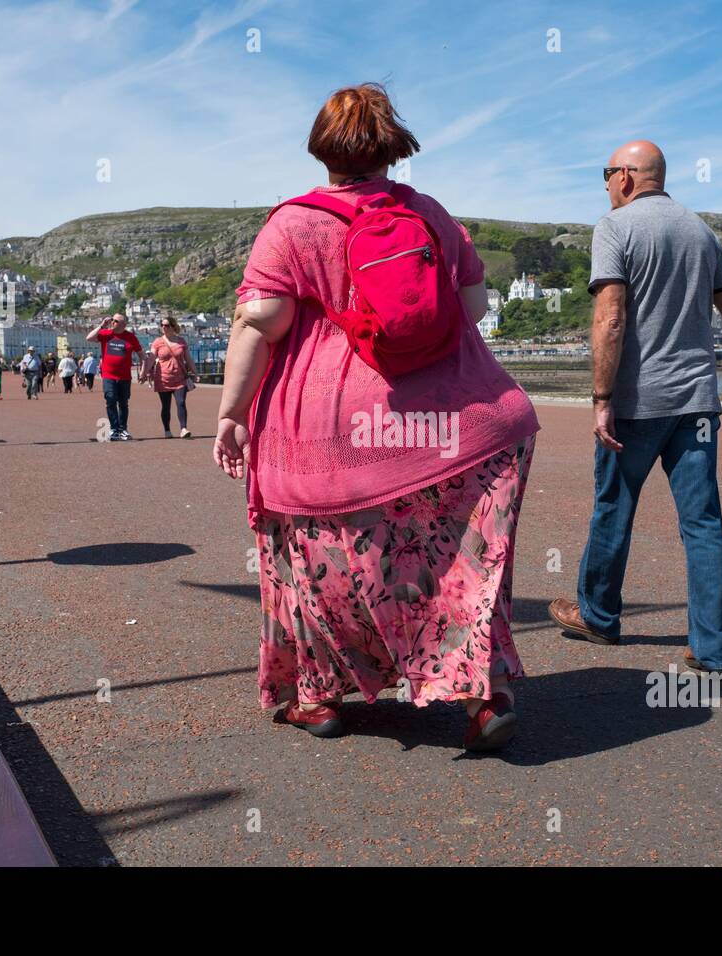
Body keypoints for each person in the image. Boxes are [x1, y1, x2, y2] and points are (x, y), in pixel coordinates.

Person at [214, 83, 539, 751]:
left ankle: (319, 697)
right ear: (392, 147)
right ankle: (483, 695)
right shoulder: (432, 216)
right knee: (463, 565)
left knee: (314, 561)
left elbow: (261, 322)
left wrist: (231, 413)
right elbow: (473, 309)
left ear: (322, 150)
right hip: (466, 423)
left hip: (332, 434)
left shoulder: (293, 224)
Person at [548, 140, 722, 674]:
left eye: (606, 173)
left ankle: (598, 615)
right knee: (703, 521)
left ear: (624, 177)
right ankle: (712, 647)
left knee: (614, 508)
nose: (605, 184)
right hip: (697, 405)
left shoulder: (614, 228)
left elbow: (611, 317)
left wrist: (601, 399)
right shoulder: (700, 231)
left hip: (638, 404)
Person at [87, 314, 142, 440]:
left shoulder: (130, 337)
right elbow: (89, 338)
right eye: (112, 320)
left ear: (123, 324)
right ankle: (114, 428)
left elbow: (140, 353)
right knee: (110, 399)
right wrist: (101, 325)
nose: (112, 322)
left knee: (123, 403)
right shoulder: (106, 334)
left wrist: (144, 369)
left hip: (124, 376)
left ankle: (123, 429)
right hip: (108, 375)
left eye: (115, 321)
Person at [143, 317, 197, 437]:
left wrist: (195, 372)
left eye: (166, 325)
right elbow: (151, 359)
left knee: (181, 402)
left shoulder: (181, 341)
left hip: (180, 378)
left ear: (173, 326)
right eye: (162, 325)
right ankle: (167, 430)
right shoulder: (157, 342)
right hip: (163, 379)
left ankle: (183, 429)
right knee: (165, 406)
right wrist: (144, 373)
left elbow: (188, 359)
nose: (163, 327)